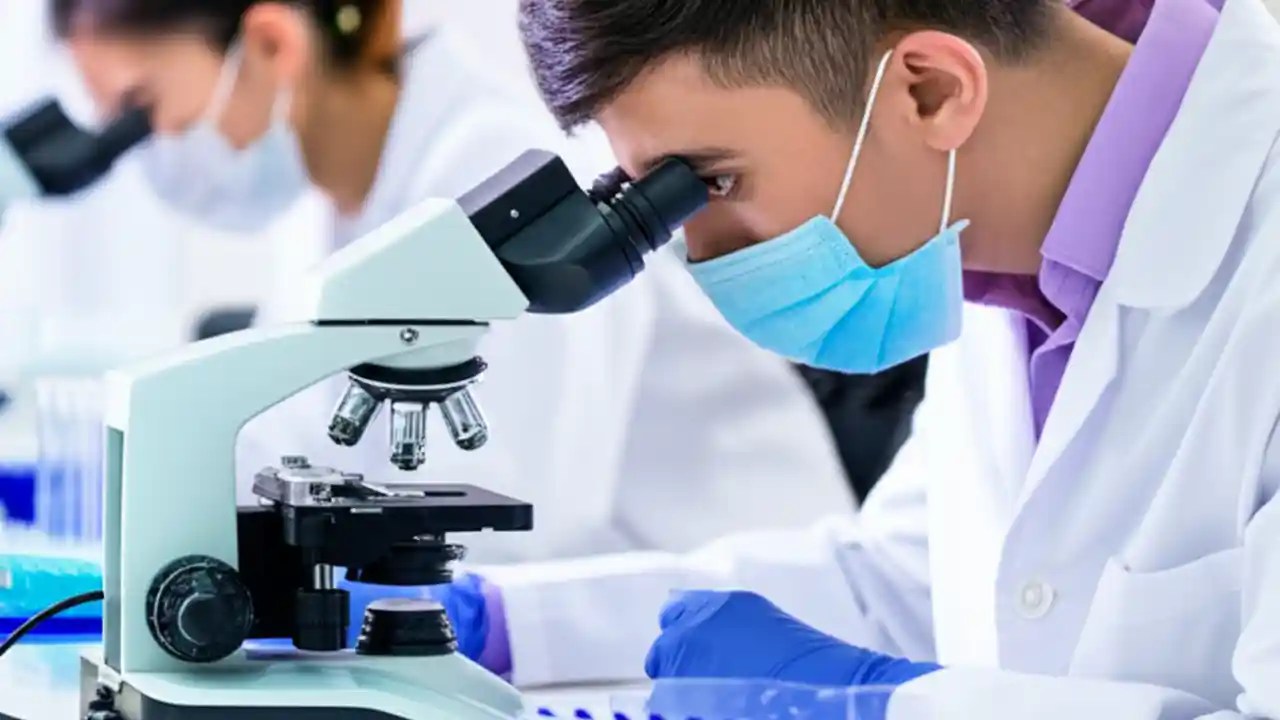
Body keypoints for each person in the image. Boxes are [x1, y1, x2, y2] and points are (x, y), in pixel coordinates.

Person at [418, 0, 1280, 715]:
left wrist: (884, 705)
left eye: (710, 183)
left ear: (931, 90)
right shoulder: (988, 242)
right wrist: (502, 623)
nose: (700, 253)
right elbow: (901, 585)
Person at [49, 0, 862, 633]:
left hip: (736, 619)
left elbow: (526, 512)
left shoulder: (499, 165)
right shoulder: (329, 210)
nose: (151, 149)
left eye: (142, 108)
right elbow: (276, 442)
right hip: (570, 630)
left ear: (269, 44)